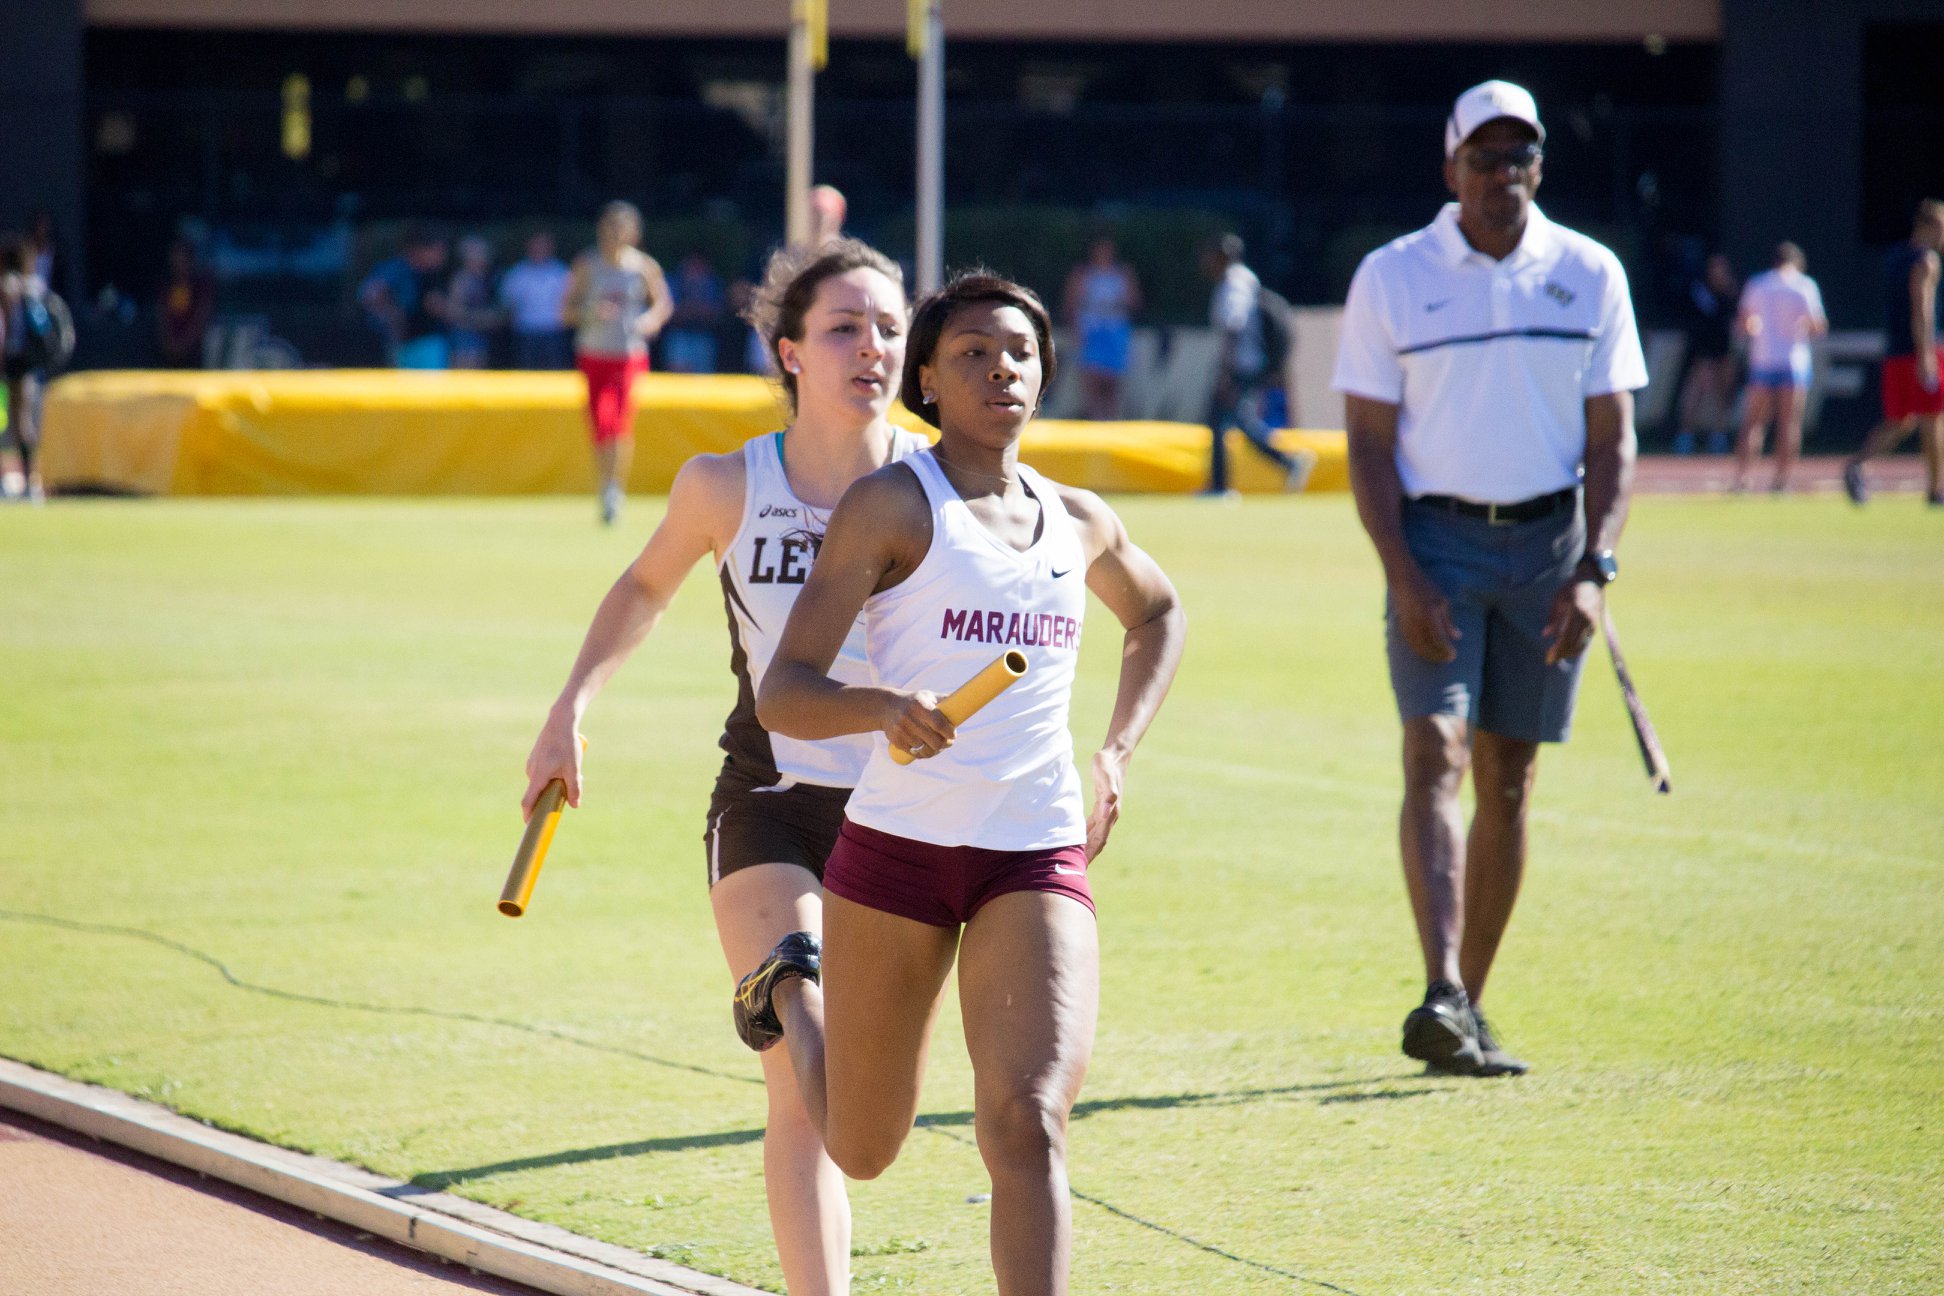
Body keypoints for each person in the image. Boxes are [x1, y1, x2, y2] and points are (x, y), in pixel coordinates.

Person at [741, 271, 1186, 1296]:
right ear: (930, 381)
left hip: (1032, 855)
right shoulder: (892, 505)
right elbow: (785, 692)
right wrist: (882, 708)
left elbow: (1159, 616)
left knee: (1026, 1122)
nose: (1002, 369)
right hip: (893, 858)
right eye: (975, 353)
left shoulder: (1078, 522)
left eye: (1020, 352)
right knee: (861, 1148)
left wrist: (1115, 752)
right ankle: (792, 986)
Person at [523, 239, 926, 1296]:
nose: (871, 346)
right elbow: (644, 589)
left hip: (913, 817)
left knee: (889, 1087)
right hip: (773, 808)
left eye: (889, 326)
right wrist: (569, 710)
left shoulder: (944, 483)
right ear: (789, 351)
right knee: (803, 1050)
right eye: (844, 327)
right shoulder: (726, 486)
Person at [1332, 80, 1646, 1077]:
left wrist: (1596, 569)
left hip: (1552, 550)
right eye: (1484, 157)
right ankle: (1442, 990)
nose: (1502, 175)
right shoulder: (1392, 276)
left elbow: (1614, 435)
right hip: (1438, 548)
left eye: (1520, 157)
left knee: (1509, 779)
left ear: (1540, 167)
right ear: (1450, 168)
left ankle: (1467, 1004)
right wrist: (1404, 570)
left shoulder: (1590, 273)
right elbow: (1368, 445)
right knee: (1437, 751)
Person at [564, 200, 674, 526]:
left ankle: (614, 489)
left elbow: (663, 304)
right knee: (600, 420)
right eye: (610, 227)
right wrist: (589, 312)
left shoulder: (642, 267)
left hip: (627, 353)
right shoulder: (588, 264)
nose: (615, 234)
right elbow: (565, 310)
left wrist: (649, 321)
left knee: (620, 420)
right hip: (594, 351)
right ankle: (605, 484)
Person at [1846, 199, 1944, 507]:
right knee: (1932, 417)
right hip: (1919, 351)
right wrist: (1926, 354)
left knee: (1901, 420)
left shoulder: (1894, 256)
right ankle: (1935, 489)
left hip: (1895, 350)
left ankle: (1856, 464)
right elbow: (1922, 309)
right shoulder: (1926, 260)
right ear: (1930, 226)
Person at [1203, 234, 1314, 496]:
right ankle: (1286, 462)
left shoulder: (1234, 281)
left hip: (1241, 365)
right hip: (1247, 364)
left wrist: (1225, 372)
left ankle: (1223, 486)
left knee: (1229, 421)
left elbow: (1234, 325)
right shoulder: (1243, 278)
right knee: (1235, 421)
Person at [1733, 242, 1826, 494]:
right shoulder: (1804, 285)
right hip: (1793, 362)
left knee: (1753, 423)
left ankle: (1742, 479)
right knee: (1789, 424)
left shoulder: (1759, 284)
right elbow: (1818, 325)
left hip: (1763, 359)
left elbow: (1744, 321)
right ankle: (1781, 482)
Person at [1062, 236, 1142, 421]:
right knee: (1092, 382)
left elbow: (1135, 303)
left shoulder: (1122, 274)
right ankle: (1094, 423)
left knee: (1112, 384)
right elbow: (1071, 305)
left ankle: (1110, 424)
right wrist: (1076, 330)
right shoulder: (1083, 274)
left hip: (1115, 331)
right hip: (1091, 331)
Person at [1673, 253, 1738, 454]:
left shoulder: (1731, 292)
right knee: (1696, 392)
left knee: (1723, 394)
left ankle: (1718, 436)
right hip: (1702, 351)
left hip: (1724, 350)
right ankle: (1685, 436)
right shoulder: (1698, 290)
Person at [359, 227, 450, 369]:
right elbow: (371, 295)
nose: (441, 256)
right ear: (418, 249)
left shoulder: (430, 275)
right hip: (404, 345)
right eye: (437, 251)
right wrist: (392, 317)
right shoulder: (397, 268)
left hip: (424, 341)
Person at [498, 232, 574, 371]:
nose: (539, 249)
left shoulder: (561, 272)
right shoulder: (517, 273)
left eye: (543, 245)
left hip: (553, 335)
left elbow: (570, 302)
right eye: (536, 245)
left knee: (554, 376)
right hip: (526, 335)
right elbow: (507, 304)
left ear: (550, 247)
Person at [662, 251, 727, 374]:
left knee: (703, 383)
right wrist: (688, 309)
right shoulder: (674, 282)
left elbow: (718, 312)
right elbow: (667, 311)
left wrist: (697, 310)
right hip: (679, 337)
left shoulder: (712, 283)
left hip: (704, 338)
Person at [157, 237, 215, 369]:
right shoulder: (166, 288)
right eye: (175, 258)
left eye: (182, 258)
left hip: (194, 357)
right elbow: (162, 320)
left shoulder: (201, 288)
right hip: (167, 357)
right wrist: (170, 345)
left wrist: (184, 345)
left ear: (191, 260)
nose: (178, 263)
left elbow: (201, 318)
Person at [445, 234, 501, 370]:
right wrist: (480, 318)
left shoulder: (487, 278)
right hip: (464, 336)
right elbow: (453, 310)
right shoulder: (461, 279)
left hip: (481, 336)